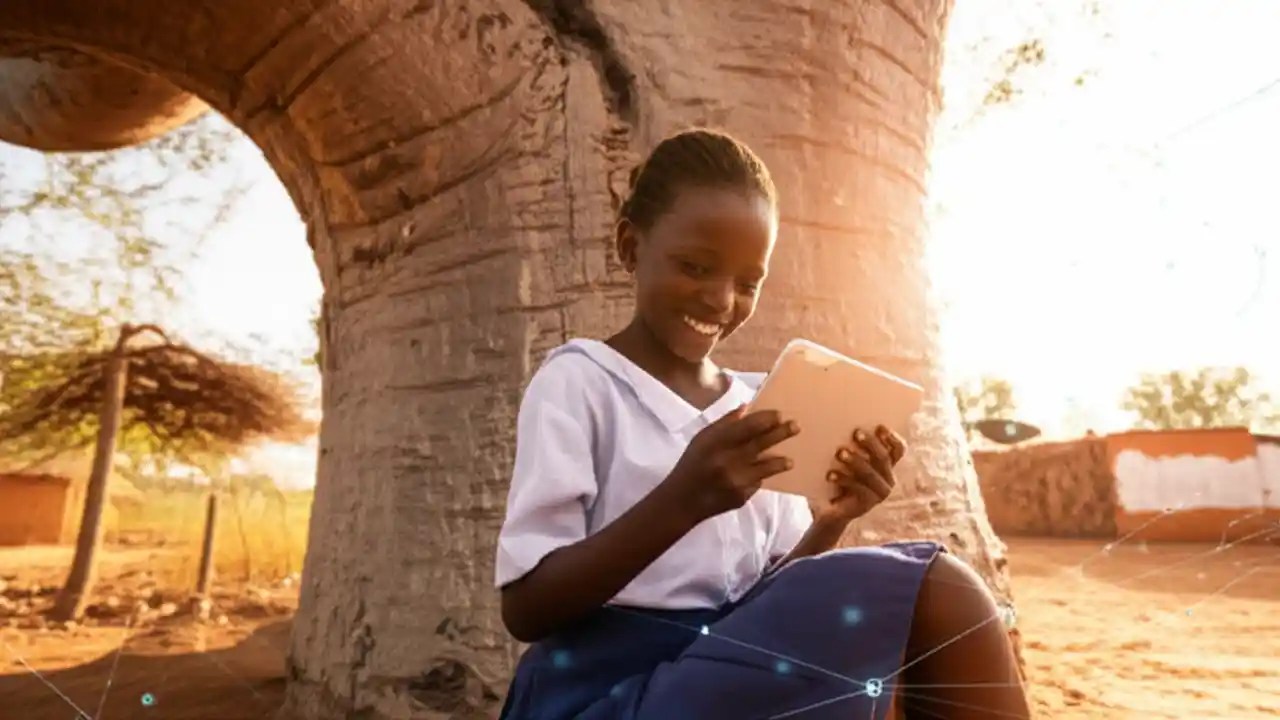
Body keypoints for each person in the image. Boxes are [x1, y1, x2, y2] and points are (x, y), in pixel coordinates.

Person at [494, 128, 1030, 720]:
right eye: (696, 267)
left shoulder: (761, 407)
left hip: (727, 675)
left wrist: (833, 519)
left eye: (749, 283)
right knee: (934, 584)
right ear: (629, 247)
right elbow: (525, 609)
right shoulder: (582, 382)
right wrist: (685, 498)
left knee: (949, 593)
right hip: (603, 689)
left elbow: (769, 603)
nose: (723, 300)